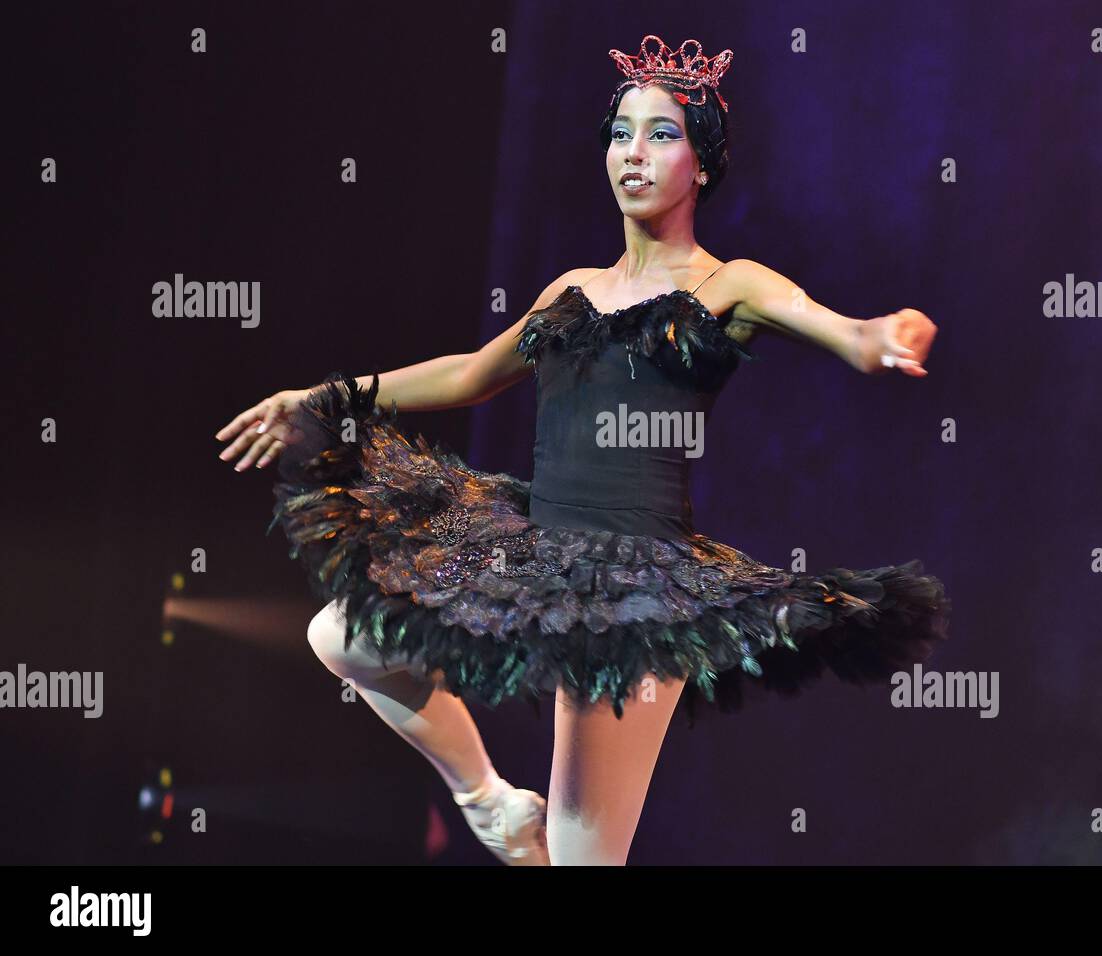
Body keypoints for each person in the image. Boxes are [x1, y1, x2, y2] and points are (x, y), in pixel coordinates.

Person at [214, 35, 950, 866]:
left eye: (662, 134)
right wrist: (327, 397)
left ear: (701, 163)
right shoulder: (569, 290)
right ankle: (490, 804)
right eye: (621, 133)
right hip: (535, 547)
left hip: (640, 586)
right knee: (342, 634)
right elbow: (466, 375)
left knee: (583, 859)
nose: (634, 154)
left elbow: (842, 330)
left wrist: (883, 334)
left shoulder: (729, 283)